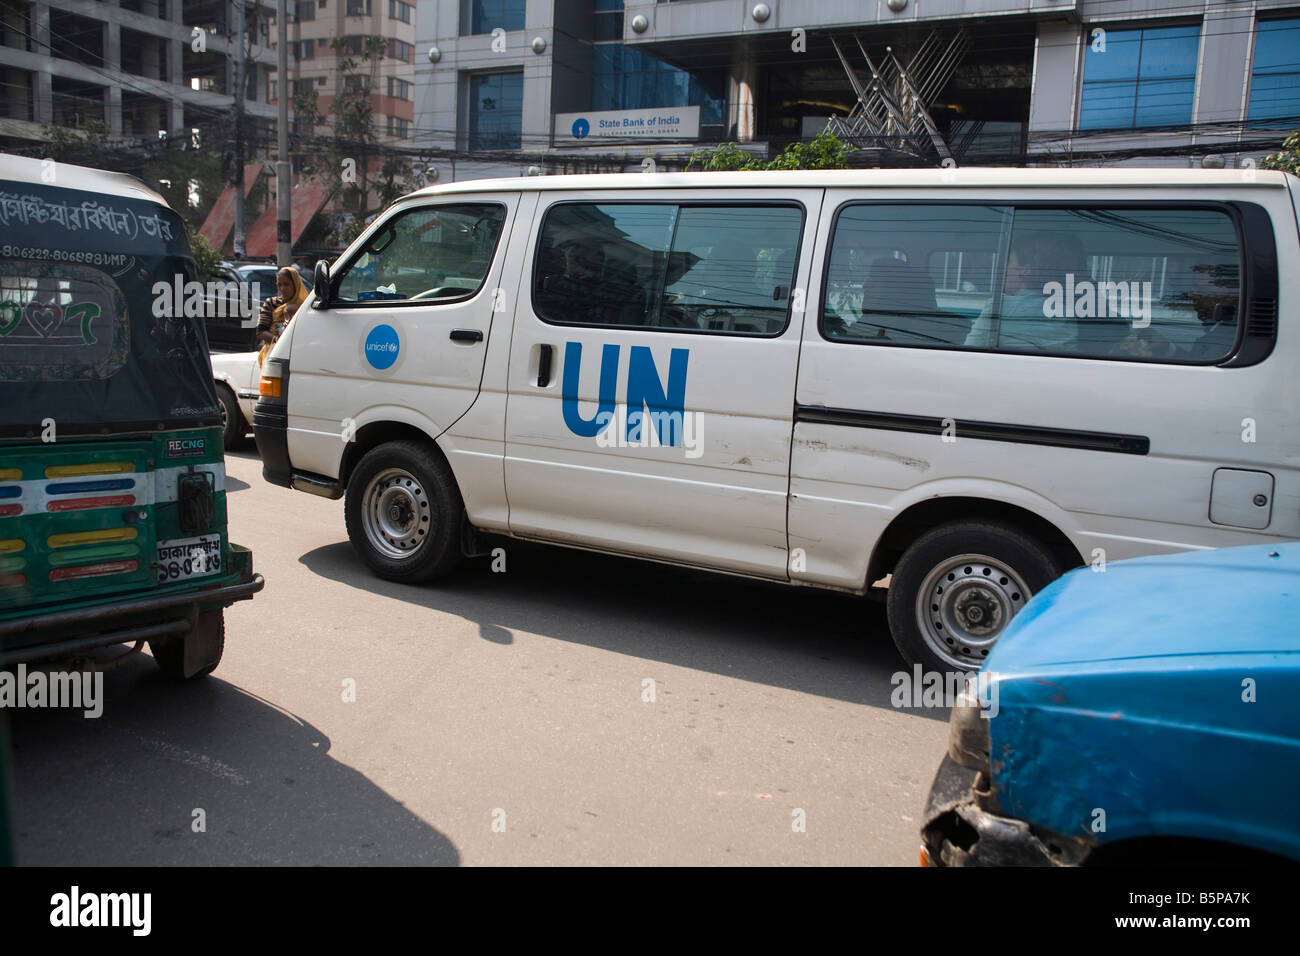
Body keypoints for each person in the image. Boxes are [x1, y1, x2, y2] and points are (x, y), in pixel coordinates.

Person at [256, 267, 307, 365]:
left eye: (286, 284)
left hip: (297, 354)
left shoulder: (304, 306)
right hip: (273, 353)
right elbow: (260, 332)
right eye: (279, 285)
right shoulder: (271, 303)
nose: (282, 289)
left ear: (295, 284)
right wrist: (280, 342)